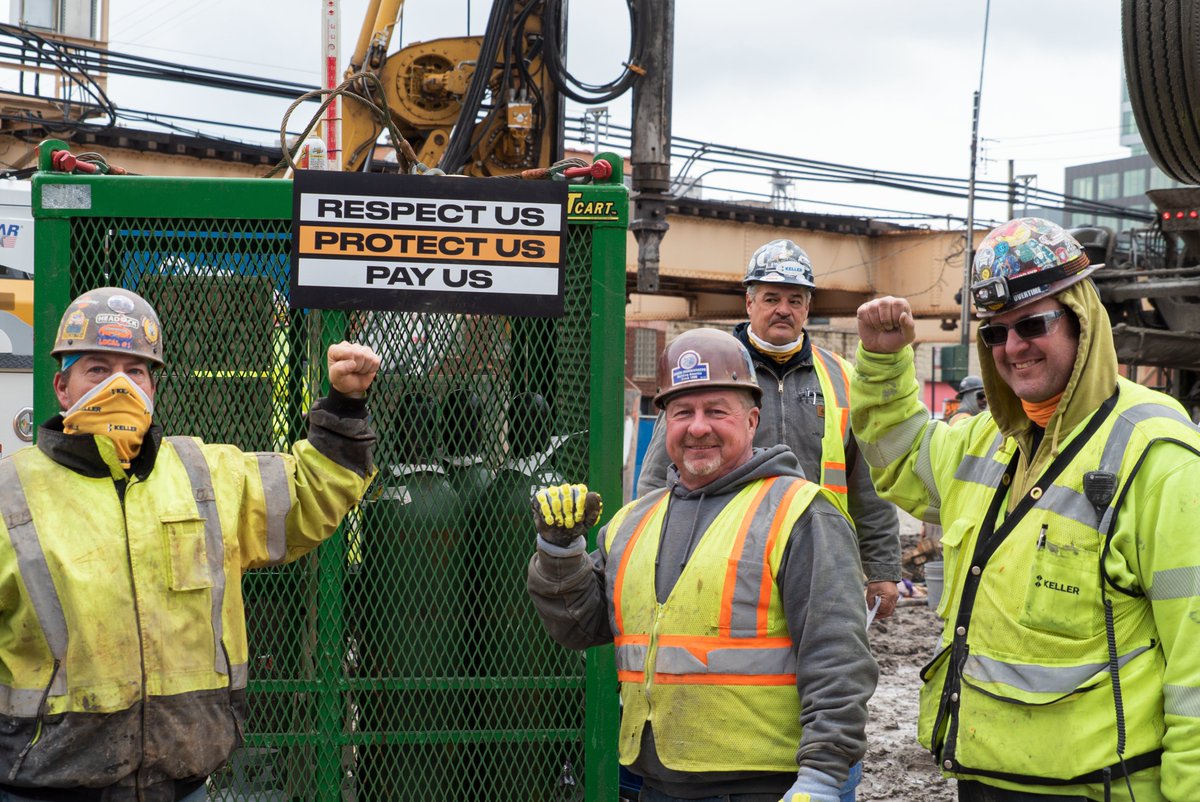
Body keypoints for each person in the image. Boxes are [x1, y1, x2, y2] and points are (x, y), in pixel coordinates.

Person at [851, 217, 1200, 802]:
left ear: (1082, 320)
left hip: (1099, 789)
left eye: (1033, 323)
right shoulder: (985, 439)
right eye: (996, 333)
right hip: (981, 778)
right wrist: (885, 364)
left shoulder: (1160, 456)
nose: (1013, 348)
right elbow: (898, 457)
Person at [0, 287, 381, 802]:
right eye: (97, 368)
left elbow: (313, 490)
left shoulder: (206, 475)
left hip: (183, 786)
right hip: (42, 789)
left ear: (154, 387)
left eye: (135, 371)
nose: (119, 385)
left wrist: (344, 401)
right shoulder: (10, 496)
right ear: (62, 387)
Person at [528, 328, 876, 802]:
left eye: (717, 411)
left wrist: (821, 776)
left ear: (753, 421)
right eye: (683, 412)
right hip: (657, 784)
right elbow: (579, 627)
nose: (697, 427)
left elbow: (838, 657)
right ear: (664, 420)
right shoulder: (633, 523)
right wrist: (560, 550)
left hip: (768, 788)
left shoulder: (799, 512)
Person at [636, 239, 901, 620]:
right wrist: (649, 553)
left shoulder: (844, 378)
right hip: (722, 554)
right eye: (771, 298)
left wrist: (883, 570)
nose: (783, 309)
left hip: (818, 553)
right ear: (749, 302)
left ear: (808, 308)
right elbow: (659, 474)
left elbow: (869, 486)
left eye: (795, 300)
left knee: (820, 662)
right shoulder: (707, 369)